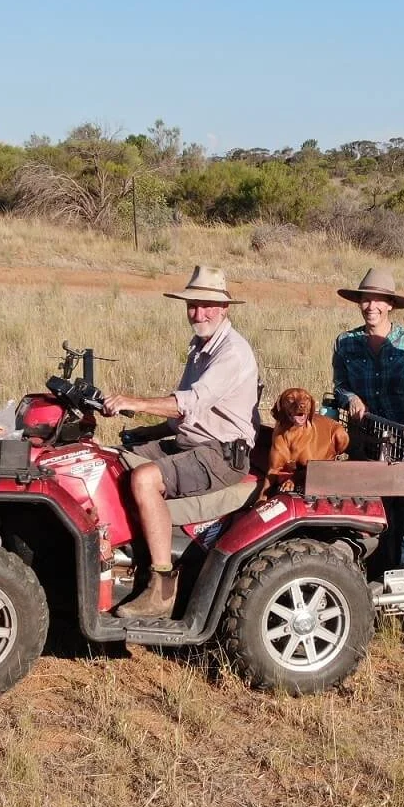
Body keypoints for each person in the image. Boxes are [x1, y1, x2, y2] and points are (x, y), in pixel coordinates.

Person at [103, 265, 259, 619]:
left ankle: (161, 586)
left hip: (222, 455)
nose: (198, 313)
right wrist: (143, 433)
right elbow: (183, 418)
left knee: (145, 479)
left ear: (224, 309)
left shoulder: (231, 353)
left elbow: (190, 401)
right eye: (192, 304)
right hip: (192, 443)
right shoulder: (200, 346)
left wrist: (134, 402)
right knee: (111, 460)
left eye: (206, 305)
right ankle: (129, 563)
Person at [332, 268, 404, 565]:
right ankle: (373, 574)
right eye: (365, 299)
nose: (371, 306)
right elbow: (339, 385)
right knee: (372, 513)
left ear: (390, 305)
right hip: (368, 441)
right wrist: (351, 398)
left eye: (378, 300)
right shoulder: (346, 342)